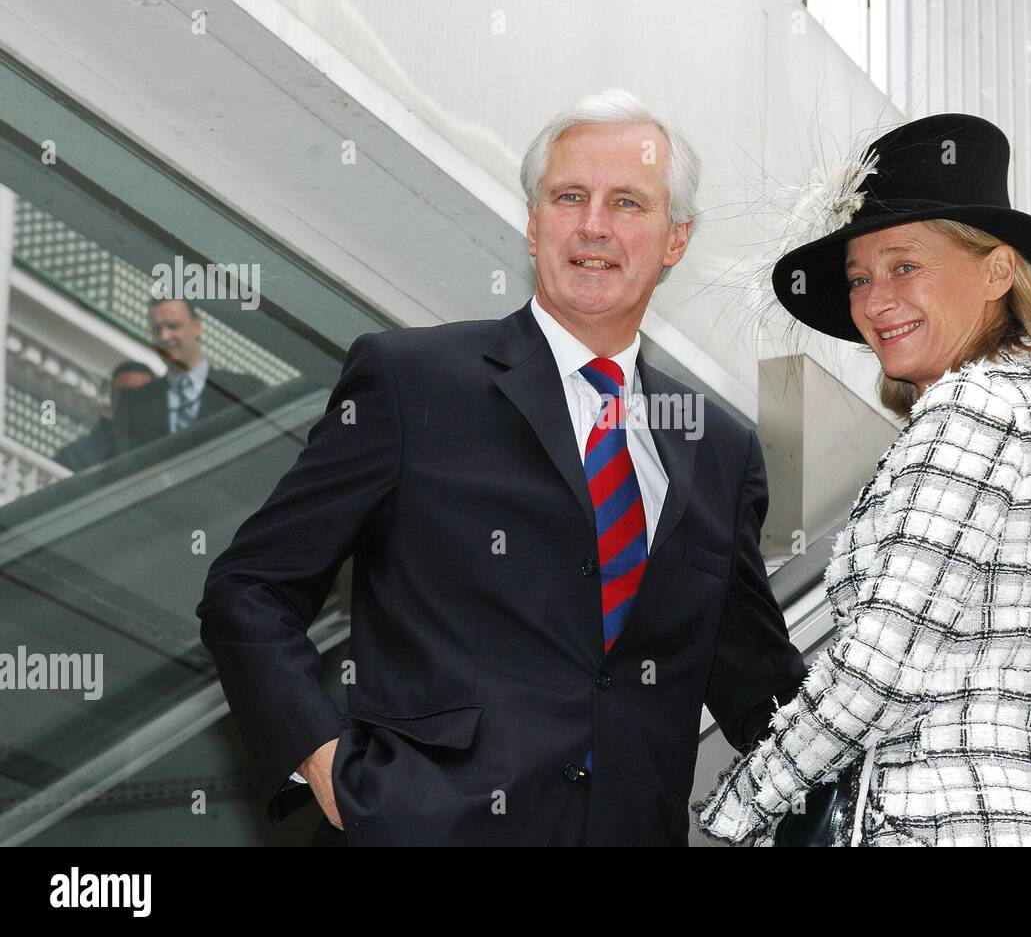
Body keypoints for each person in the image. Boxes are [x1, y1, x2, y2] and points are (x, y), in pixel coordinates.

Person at [196, 88, 806, 846]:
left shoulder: (721, 448)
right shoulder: (410, 381)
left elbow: (759, 690)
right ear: (533, 220)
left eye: (627, 203)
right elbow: (249, 588)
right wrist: (330, 768)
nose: (593, 226)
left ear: (675, 238)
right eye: (570, 196)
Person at [693, 112, 1031, 847]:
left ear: (998, 269)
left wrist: (741, 806)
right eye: (859, 278)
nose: (875, 302)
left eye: (905, 266)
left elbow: (879, 669)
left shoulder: (972, 409)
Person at [112, 296, 266, 452]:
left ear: (197, 327)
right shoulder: (135, 405)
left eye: (173, 326)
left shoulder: (244, 391)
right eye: (157, 330)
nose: (164, 337)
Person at [53, 360, 155, 472]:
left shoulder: (165, 447)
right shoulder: (77, 456)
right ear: (113, 398)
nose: (133, 403)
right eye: (127, 395)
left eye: (142, 396)